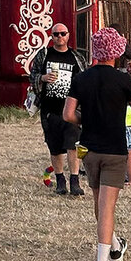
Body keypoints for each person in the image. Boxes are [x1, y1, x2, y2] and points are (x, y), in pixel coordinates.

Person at [63, 27, 131, 261]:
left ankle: (113, 245)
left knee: (100, 204)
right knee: (107, 207)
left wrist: (85, 120)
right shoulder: (122, 80)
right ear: (116, 52)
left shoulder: (81, 78)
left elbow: (68, 114)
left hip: (88, 148)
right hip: (114, 149)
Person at [30, 23, 89, 196]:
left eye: (63, 34)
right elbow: (32, 76)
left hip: (71, 110)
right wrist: (42, 78)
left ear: (68, 35)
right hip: (50, 109)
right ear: (51, 36)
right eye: (56, 34)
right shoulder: (44, 55)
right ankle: (60, 180)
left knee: (72, 145)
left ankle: (75, 181)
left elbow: (85, 80)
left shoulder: (76, 57)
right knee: (54, 147)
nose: (59, 37)